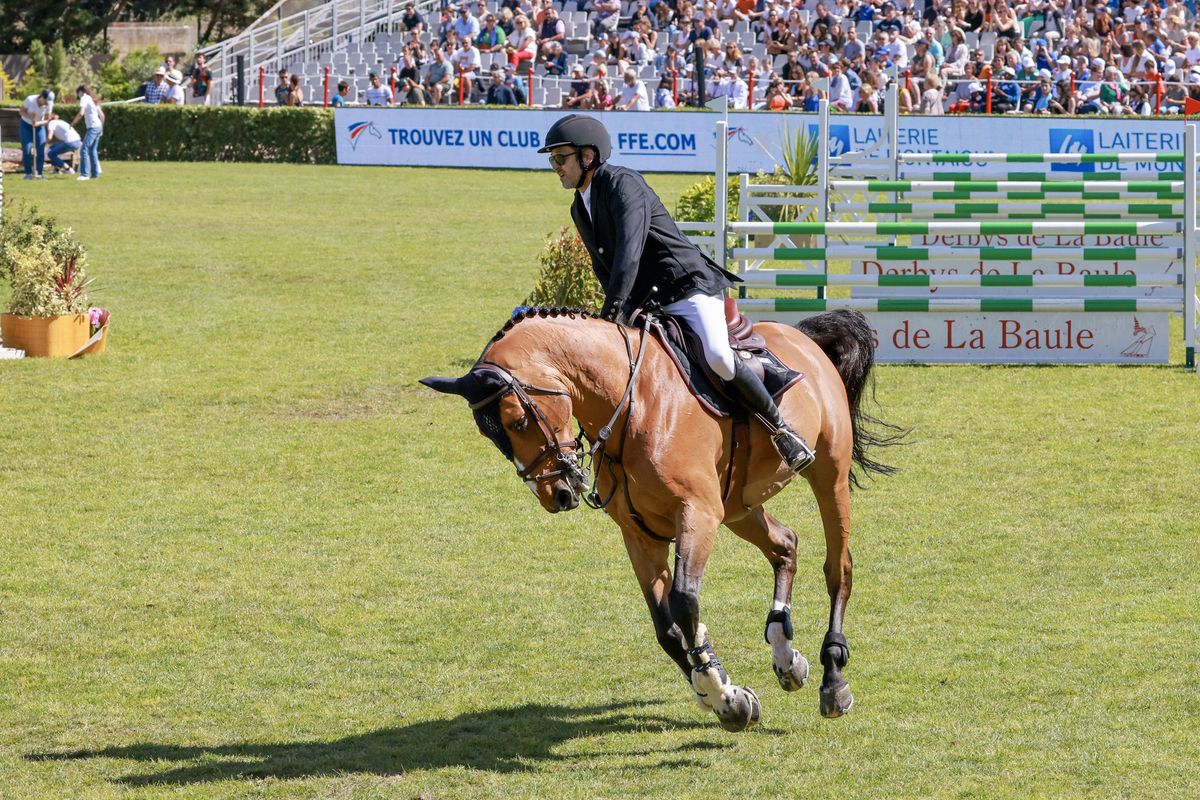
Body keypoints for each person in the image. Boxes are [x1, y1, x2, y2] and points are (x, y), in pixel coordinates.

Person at [537, 115, 816, 472]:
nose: (555, 166)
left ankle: (782, 430)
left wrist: (611, 315)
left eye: (560, 158)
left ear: (588, 156)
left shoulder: (623, 184)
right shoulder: (580, 206)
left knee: (717, 356)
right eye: (553, 159)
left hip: (686, 287)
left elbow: (628, 256)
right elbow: (603, 268)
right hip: (648, 301)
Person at [18, 89, 53, 180]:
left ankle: (39, 174)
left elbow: (48, 120)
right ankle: (28, 173)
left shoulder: (49, 104)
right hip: (25, 125)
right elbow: (21, 111)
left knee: (41, 149)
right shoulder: (30, 99)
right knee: (27, 149)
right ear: (41, 97)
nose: (47, 103)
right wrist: (30, 116)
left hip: (39, 127)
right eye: (46, 101)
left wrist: (38, 123)